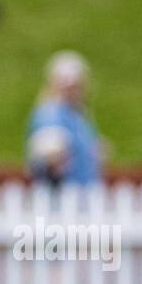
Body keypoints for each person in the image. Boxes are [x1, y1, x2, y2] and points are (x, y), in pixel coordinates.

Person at [26, 51, 104, 187]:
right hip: (62, 196)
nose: (72, 90)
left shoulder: (79, 114)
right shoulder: (50, 113)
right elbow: (48, 153)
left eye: (75, 86)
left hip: (83, 193)